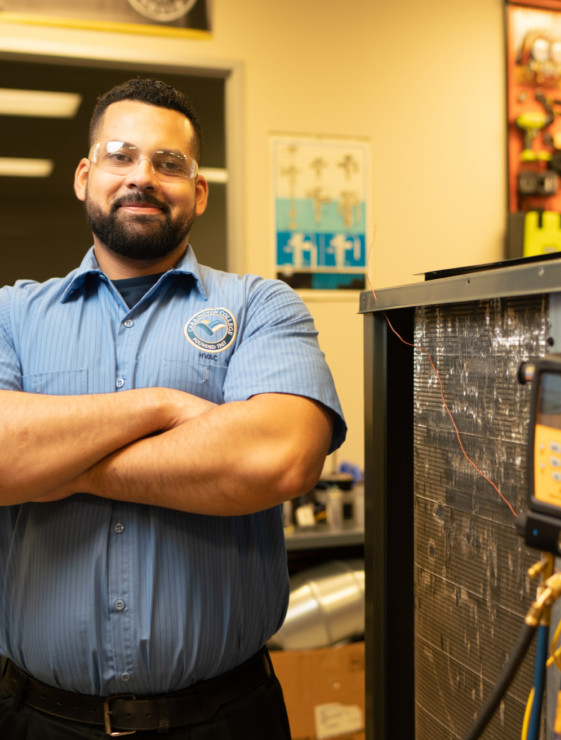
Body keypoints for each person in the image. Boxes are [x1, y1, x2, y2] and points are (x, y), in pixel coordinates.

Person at [0, 78, 346, 738]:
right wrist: (161, 406)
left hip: (225, 716)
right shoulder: (12, 314)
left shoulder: (261, 306)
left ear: (199, 191)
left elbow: (281, 459)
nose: (142, 176)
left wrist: (57, 467)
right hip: (38, 718)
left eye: (168, 163)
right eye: (120, 156)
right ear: (84, 176)